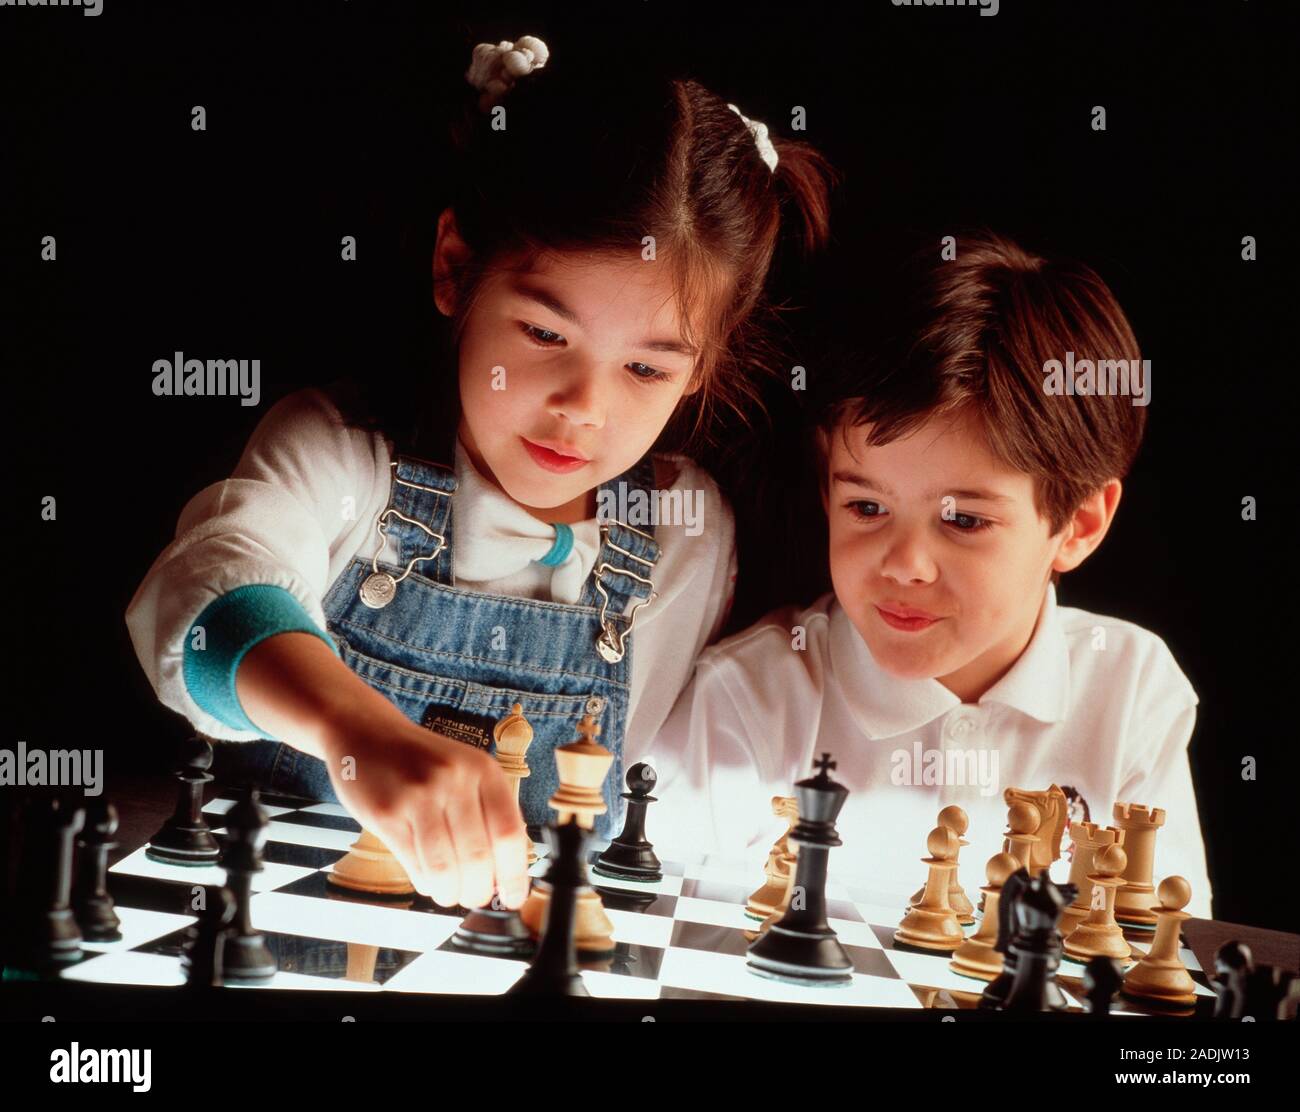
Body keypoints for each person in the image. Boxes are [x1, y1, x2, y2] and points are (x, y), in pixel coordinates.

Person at [126, 34, 835, 913]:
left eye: (647, 369)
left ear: (704, 366)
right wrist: (356, 731)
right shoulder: (344, 457)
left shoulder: (688, 532)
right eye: (544, 334)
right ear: (454, 268)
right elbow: (198, 603)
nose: (584, 408)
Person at [646, 230, 1213, 918]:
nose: (904, 565)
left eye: (964, 520)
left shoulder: (1131, 690)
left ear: (1079, 525)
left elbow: (1163, 943)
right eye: (867, 507)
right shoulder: (747, 700)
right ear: (826, 488)